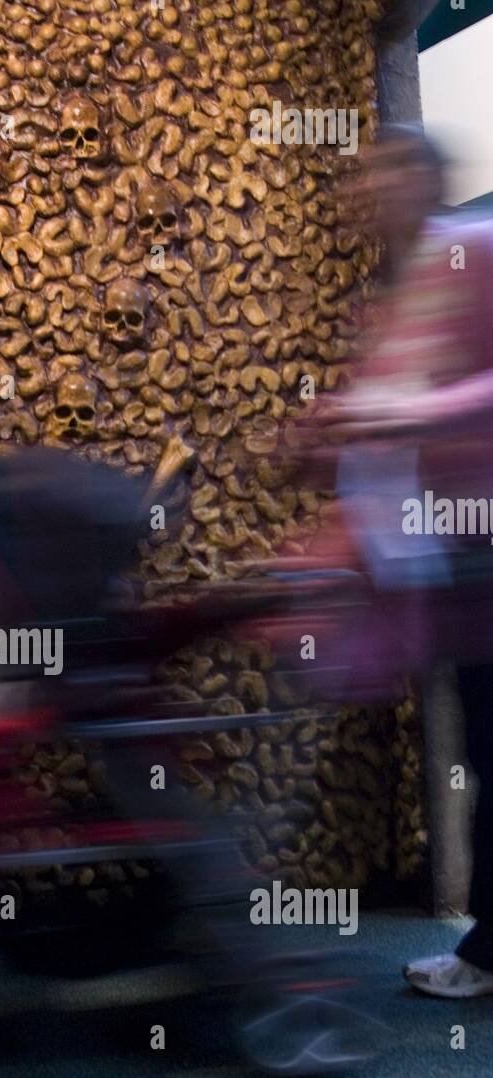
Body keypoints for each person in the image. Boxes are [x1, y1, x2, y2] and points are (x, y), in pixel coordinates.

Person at [298, 124, 493, 998]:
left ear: (422, 178)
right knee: (487, 748)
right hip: (455, 566)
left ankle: (488, 950)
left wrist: (404, 417)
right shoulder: (398, 294)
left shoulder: (474, 251)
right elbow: (380, 427)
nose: (362, 196)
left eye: (378, 177)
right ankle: (488, 948)